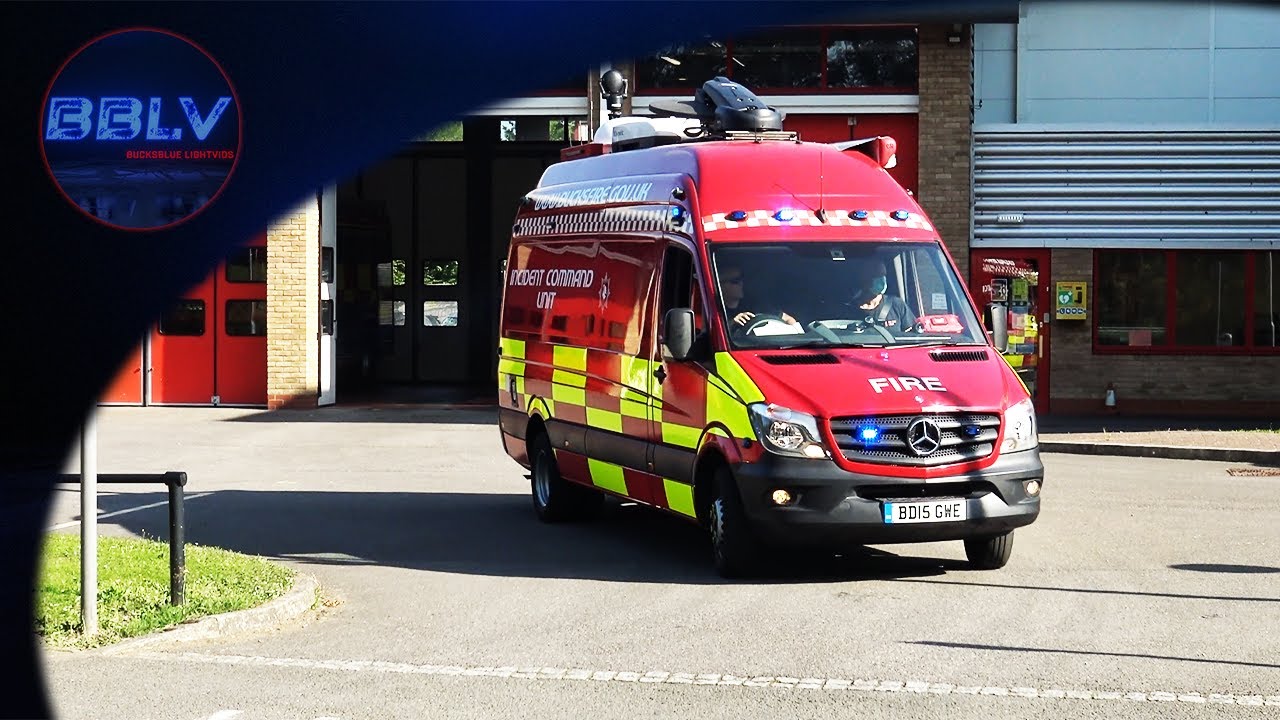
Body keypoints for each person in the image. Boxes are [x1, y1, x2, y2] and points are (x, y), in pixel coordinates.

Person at [719, 263, 798, 330]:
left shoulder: (756, 305)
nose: (741, 283)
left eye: (742, 279)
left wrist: (796, 334)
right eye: (735, 281)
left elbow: (788, 319)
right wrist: (731, 324)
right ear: (720, 285)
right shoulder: (715, 312)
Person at [850, 260, 917, 331]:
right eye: (876, 276)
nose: (882, 280)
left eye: (883, 275)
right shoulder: (850, 310)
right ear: (864, 280)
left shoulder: (896, 304)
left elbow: (911, 333)